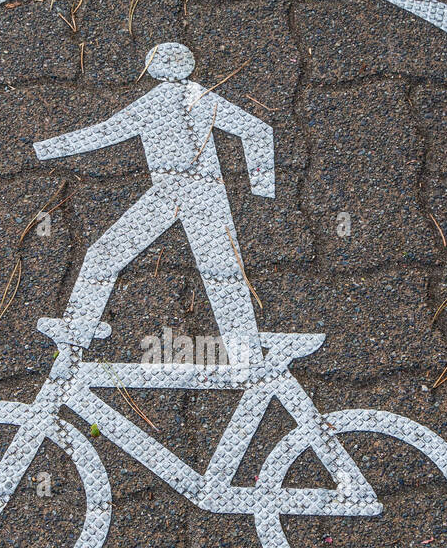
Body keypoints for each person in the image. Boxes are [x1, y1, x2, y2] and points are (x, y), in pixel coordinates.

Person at [33, 42, 275, 366]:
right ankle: (247, 357)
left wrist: (45, 150)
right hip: (194, 193)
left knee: (109, 254)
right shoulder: (197, 96)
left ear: (154, 67)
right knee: (222, 272)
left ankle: (79, 327)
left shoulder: (166, 100)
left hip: (185, 192)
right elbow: (257, 131)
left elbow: (103, 133)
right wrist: (262, 189)